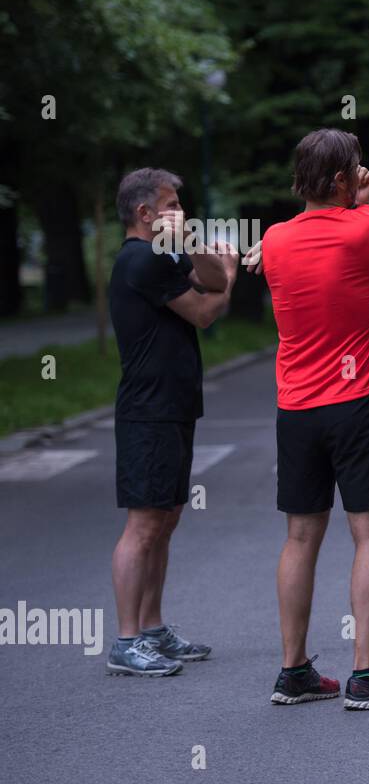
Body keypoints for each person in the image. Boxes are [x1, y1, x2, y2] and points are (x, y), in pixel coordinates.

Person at [252, 128, 369, 710]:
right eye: (355, 168)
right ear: (340, 181)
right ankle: (367, 674)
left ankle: (294, 671)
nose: (363, 174)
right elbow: (363, 212)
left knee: (300, 536)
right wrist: (363, 195)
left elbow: (289, 240)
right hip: (357, 402)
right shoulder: (368, 225)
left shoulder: (275, 240)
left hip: (295, 408)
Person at [107, 167, 237, 676]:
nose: (180, 213)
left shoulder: (163, 252)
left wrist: (201, 248)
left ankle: (154, 629)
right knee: (143, 525)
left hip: (174, 406)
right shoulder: (140, 258)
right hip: (149, 411)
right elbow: (206, 310)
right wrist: (227, 272)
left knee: (166, 517)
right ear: (144, 214)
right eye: (171, 205)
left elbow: (210, 278)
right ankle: (126, 640)